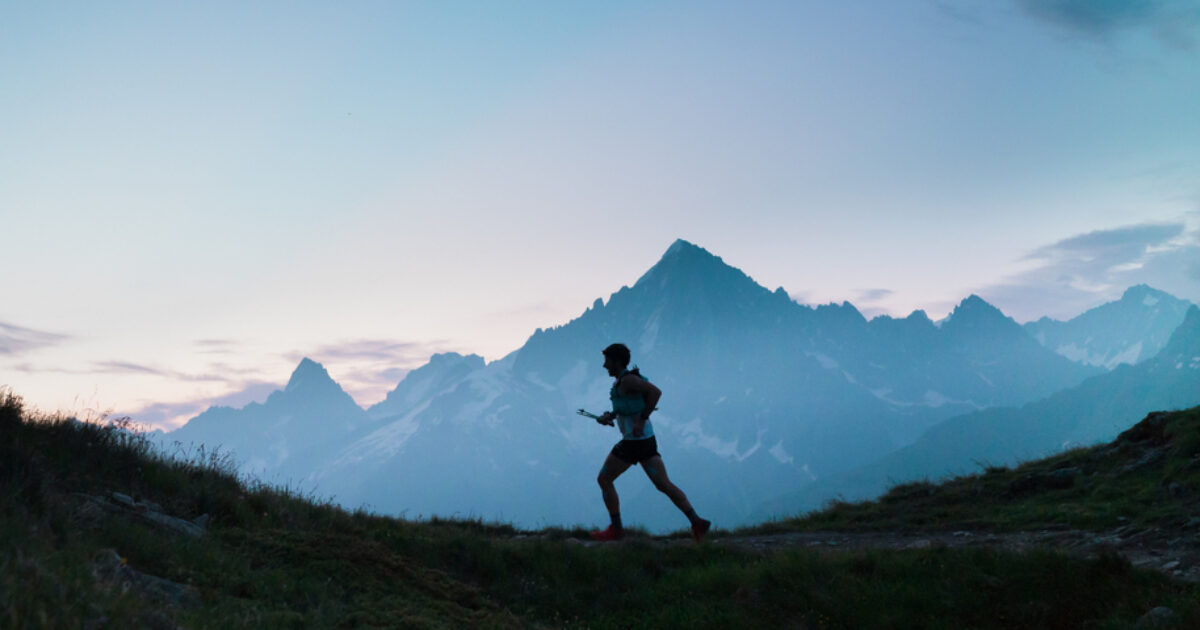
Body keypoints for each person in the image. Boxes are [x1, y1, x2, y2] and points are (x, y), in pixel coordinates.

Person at [590, 343, 711, 542]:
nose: (604, 366)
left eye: (607, 361)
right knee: (663, 484)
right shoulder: (623, 382)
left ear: (617, 362)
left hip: (633, 443)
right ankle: (697, 522)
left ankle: (616, 528)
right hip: (646, 441)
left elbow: (656, 392)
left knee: (604, 479)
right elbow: (629, 406)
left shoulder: (628, 381)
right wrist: (610, 416)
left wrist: (642, 419)